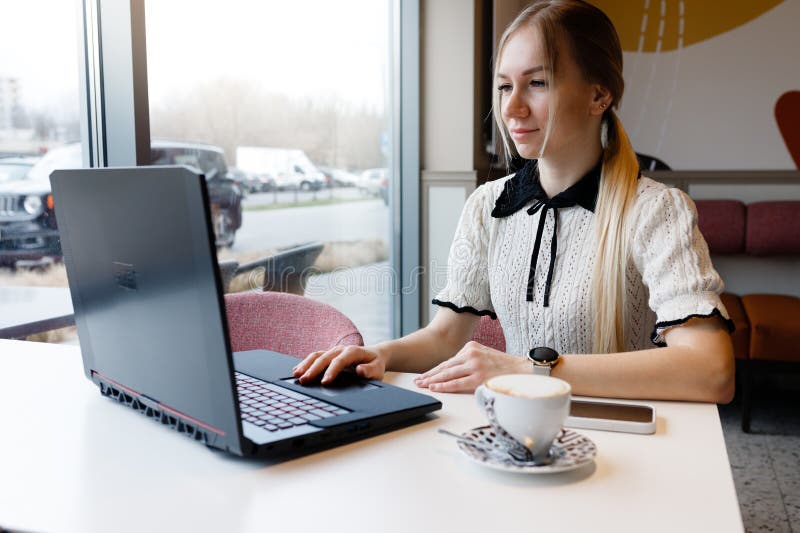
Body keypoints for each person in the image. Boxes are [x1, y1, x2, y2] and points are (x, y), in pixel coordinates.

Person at [293, 0, 735, 403]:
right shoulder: (488, 206)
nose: (512, 108)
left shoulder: (656, 211)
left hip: (620, 446)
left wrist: (528, 369)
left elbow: (712, 370)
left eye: (537, 83)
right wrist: (379, 353)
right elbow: (447, 338)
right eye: (505, 86)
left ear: (599, 95)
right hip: (514, 437)